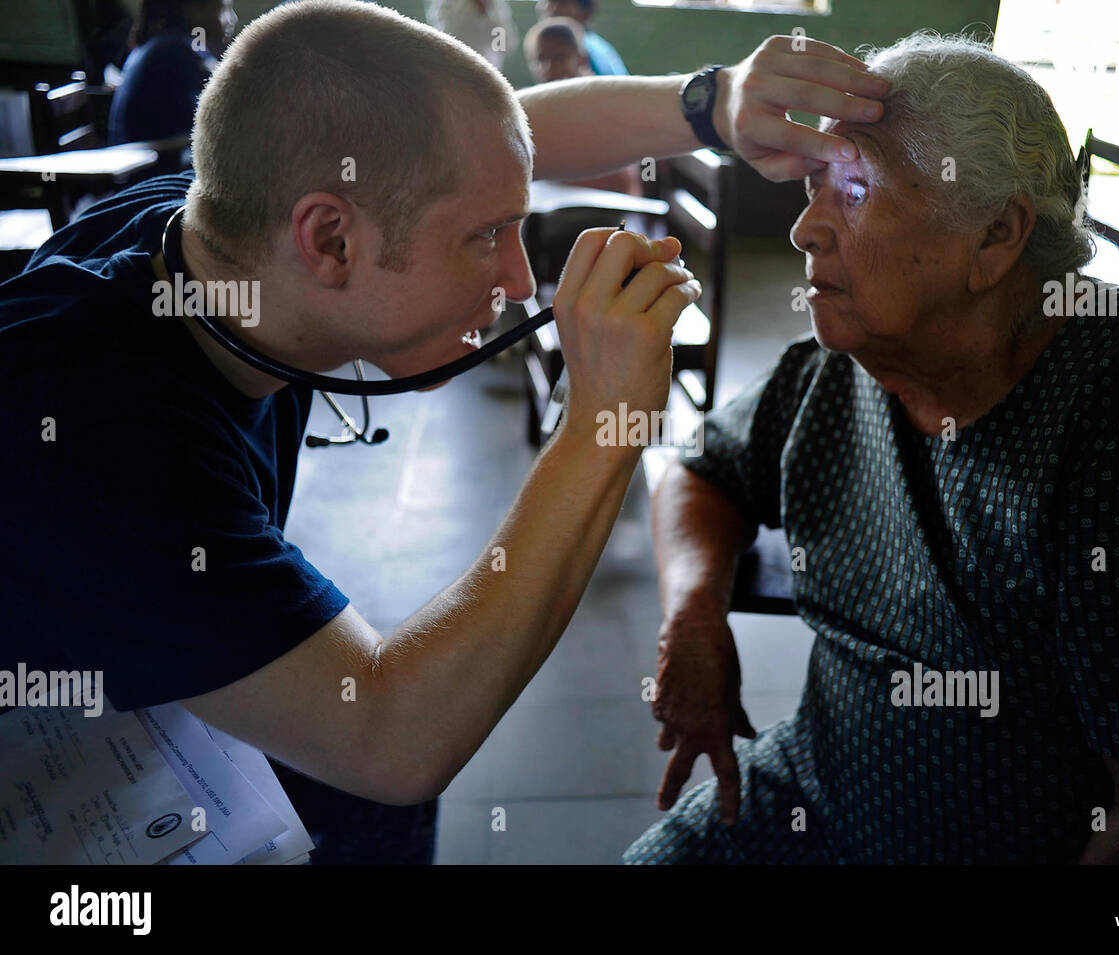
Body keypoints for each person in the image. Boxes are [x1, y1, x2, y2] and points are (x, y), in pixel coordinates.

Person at [0, 0, 890, 864]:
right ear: (332, 240)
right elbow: (393, 741)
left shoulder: (216, 223)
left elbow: (482, 147)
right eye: (487, 236)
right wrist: (602, 422)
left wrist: (710, 103)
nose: (514, 279)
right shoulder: (107, 434)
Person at [626, 31, 1119, 864]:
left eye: (856, 190)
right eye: (811, 188)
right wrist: (692, 619)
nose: (805, 230)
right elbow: (701, 472)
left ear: (996, 237)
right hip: (816, 784)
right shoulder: (849, 365)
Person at [525, 17, 641, 195]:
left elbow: (618, 183)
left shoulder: (597, 102)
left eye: (558, 57)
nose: (547, 68)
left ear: (581, 59)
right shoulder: (546, 104)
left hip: (605, 208)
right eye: (540, 59)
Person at [108, 0, 237, 144]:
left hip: (163, 154)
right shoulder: (172, 52)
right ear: (196, 10)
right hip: (154, 160)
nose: (232, 19)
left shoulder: (176, 43)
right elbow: (203, 122)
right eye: (224, 9)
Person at [536, 0, 626, 76]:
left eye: (563, 3)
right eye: (549, 2)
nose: (553, 9)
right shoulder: (599, 44)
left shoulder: (586, 47)